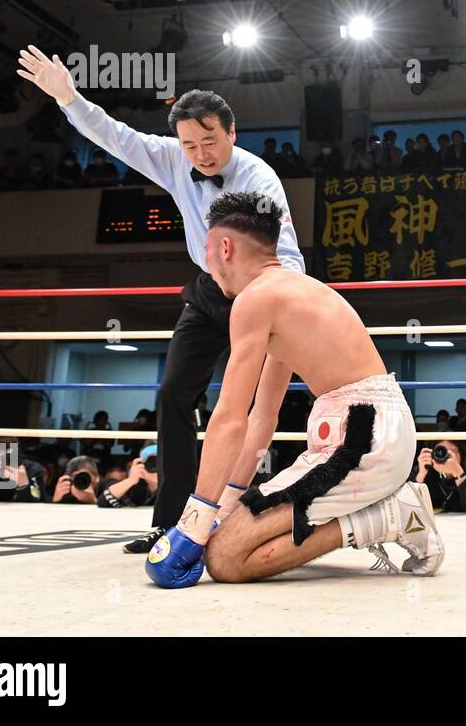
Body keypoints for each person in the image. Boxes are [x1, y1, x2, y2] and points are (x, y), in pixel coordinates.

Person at [17, 46, 302, 554]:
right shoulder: (174, 159)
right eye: (190, 145)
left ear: (232, 133)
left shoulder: (259, 180)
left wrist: (286, 309)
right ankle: (170, 521)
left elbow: (287, 255)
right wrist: (68, 98)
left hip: (259, 292)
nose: (201, 154)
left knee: (253, 409)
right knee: (174, 394)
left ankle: (241, 516)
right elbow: (116, 137)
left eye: (210, 141)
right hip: (208, 290)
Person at [147, 192, 442, 588]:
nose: (206, 266)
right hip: (365, 435)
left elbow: (230, 416)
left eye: (205, 250)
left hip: (362, 439)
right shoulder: (291, 295)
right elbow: (261, 418)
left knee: (226, 558)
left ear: (224, 247)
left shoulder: (255, 300)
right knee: (224, 535)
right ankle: (384, 511)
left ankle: (393, 516)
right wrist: (229, 498)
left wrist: (194, 518)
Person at [413, 440, 466, 514]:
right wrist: (421, 475)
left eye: (452, 451)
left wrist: (459, 474)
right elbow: (409, 505)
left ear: (461, 453)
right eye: (441, 451)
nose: (446, 456)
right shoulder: (424, 468)